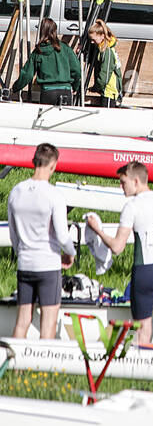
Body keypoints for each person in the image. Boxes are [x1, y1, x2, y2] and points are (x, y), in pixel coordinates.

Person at [86, 162, 153, 346]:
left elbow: (117, 247)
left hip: (144, 273)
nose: (121, 186)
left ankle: (144, 373)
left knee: (143, 334)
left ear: (135, 181)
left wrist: (97, 230)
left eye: (123, 182)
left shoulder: (132, 206)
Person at [7, 143, 76, 340]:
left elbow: (13, 235)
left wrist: (22, 254)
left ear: (33, 162)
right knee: (48, 322)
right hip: (47, 265)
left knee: (22, 321)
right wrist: (71, 253)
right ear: (53, 165)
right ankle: (46, 367)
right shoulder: (54, 195)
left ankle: (14, 366)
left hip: (25, 263)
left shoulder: (16, 191)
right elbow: (62, 236)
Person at [12, 19, 81, 105]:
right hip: (65, 91)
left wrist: (15, 88)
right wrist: (75, 86)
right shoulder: (65, 48)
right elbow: (77, 69)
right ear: (55, 31)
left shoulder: (38, 51)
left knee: (46, 118)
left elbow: (27, 74)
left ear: (41, 31)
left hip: (48, 92)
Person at [88, 18, 123, 109]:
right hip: (105, 89)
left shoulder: (107, 51)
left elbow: (105, 74)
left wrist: (96, 87)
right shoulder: (101, 48)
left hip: (109, 91)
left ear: (102, 36)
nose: (92, 42)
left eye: (94, 39)